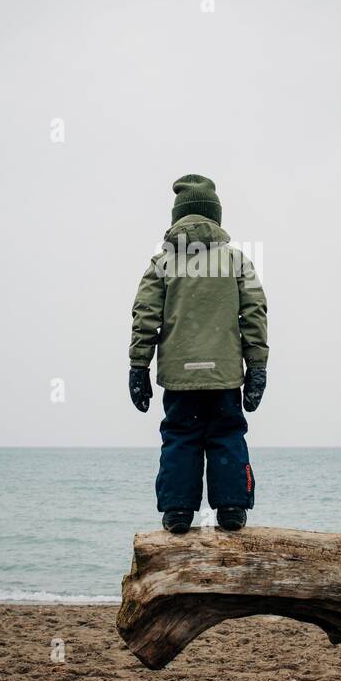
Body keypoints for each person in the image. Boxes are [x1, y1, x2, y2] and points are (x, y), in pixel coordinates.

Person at [128, 175, 268, 533]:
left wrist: (138, 366)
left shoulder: (161, 264)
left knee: (180, 438)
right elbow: (254, 313)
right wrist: (257, 368)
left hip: (179, 377)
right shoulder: (237, 262)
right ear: (215, 217)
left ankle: (177, 512)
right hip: (223, 376)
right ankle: (232, 508)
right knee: (227, 435)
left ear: (177, 219)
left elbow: (144, 316)